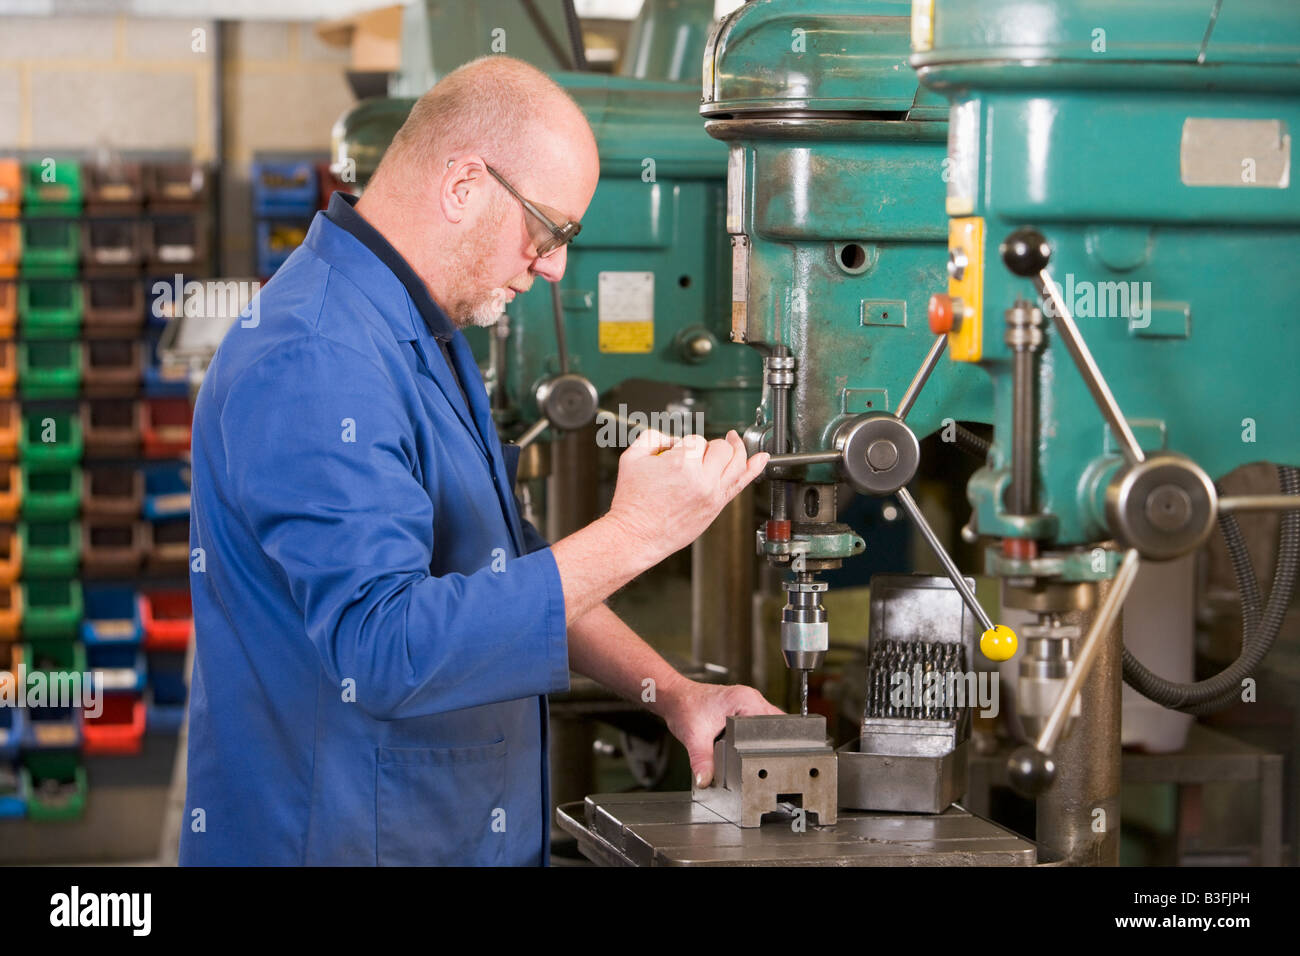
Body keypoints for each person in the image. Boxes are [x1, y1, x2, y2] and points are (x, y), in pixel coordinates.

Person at [180, 55, 779, 866]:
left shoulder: (422, 334)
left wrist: (674, 695)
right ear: (463, 185)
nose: (556, 263)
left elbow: (512, 579)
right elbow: (384, 651)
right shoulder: (316, 358)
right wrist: (636, 533)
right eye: (548, 229)